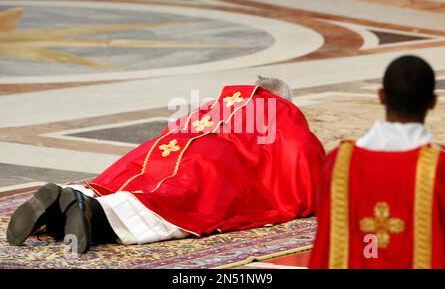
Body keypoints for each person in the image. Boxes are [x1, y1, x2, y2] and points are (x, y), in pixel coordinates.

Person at [8, 76, 325, 254]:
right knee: (180, 200)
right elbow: (305, 167)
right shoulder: (283, 118)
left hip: (162, 151)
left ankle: (69, 195)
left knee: (127, 180)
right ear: (283, 99)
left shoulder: (214, 106)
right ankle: (92, 213)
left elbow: (173, 130)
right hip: (216, 165)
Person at [310, 55, 445, 269]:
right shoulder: (438, 168)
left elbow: (327, 238)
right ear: (433, 102)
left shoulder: (339, 161)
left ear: (381, 96)